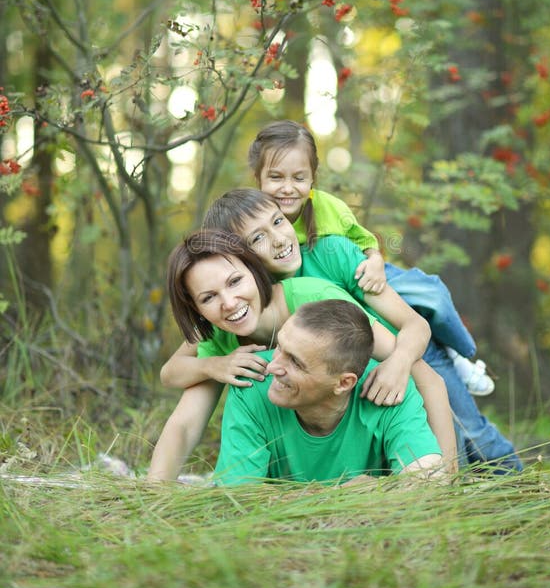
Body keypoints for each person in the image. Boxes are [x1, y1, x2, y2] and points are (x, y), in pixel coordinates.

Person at [203, 189, 523, 473]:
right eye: (257, 238)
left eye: (278, 221)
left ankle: (518, 488)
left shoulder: (330, 253)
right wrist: (212, 365)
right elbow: (177, 368)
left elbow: (416, 333)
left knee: (472, 438)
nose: (277, 239)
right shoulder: (240, 303)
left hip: (407, 349)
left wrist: (398, 362)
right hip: (364, 363)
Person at [148, 229, 456, 481]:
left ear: (256, 272)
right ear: (197, 308)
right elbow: (184, 422)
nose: (228, 303)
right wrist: (154, 497)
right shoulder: (220, 342)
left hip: (398, 388)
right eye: (209, 297)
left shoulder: (315, 299)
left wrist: (447, 480)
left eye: (235, 281)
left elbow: (427, 379)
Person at [249, 120, 495, 397]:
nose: (287, 188)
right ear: (258, 178)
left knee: (427, 295)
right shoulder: (254, 224)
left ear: (312, 177)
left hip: (360, 270)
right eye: (276, 177)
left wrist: (376, 261)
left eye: (298, 178)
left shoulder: (328, 208)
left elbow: (365, 240)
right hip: (331, 288)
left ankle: (458, 352)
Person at [214, 299, 444, 486]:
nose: (273, 366)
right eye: (280, 347)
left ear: (344, 383)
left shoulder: (390, 390)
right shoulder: (253, 381)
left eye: (295, 362)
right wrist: (347, 495)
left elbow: (430, 481)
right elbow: (238, 495)